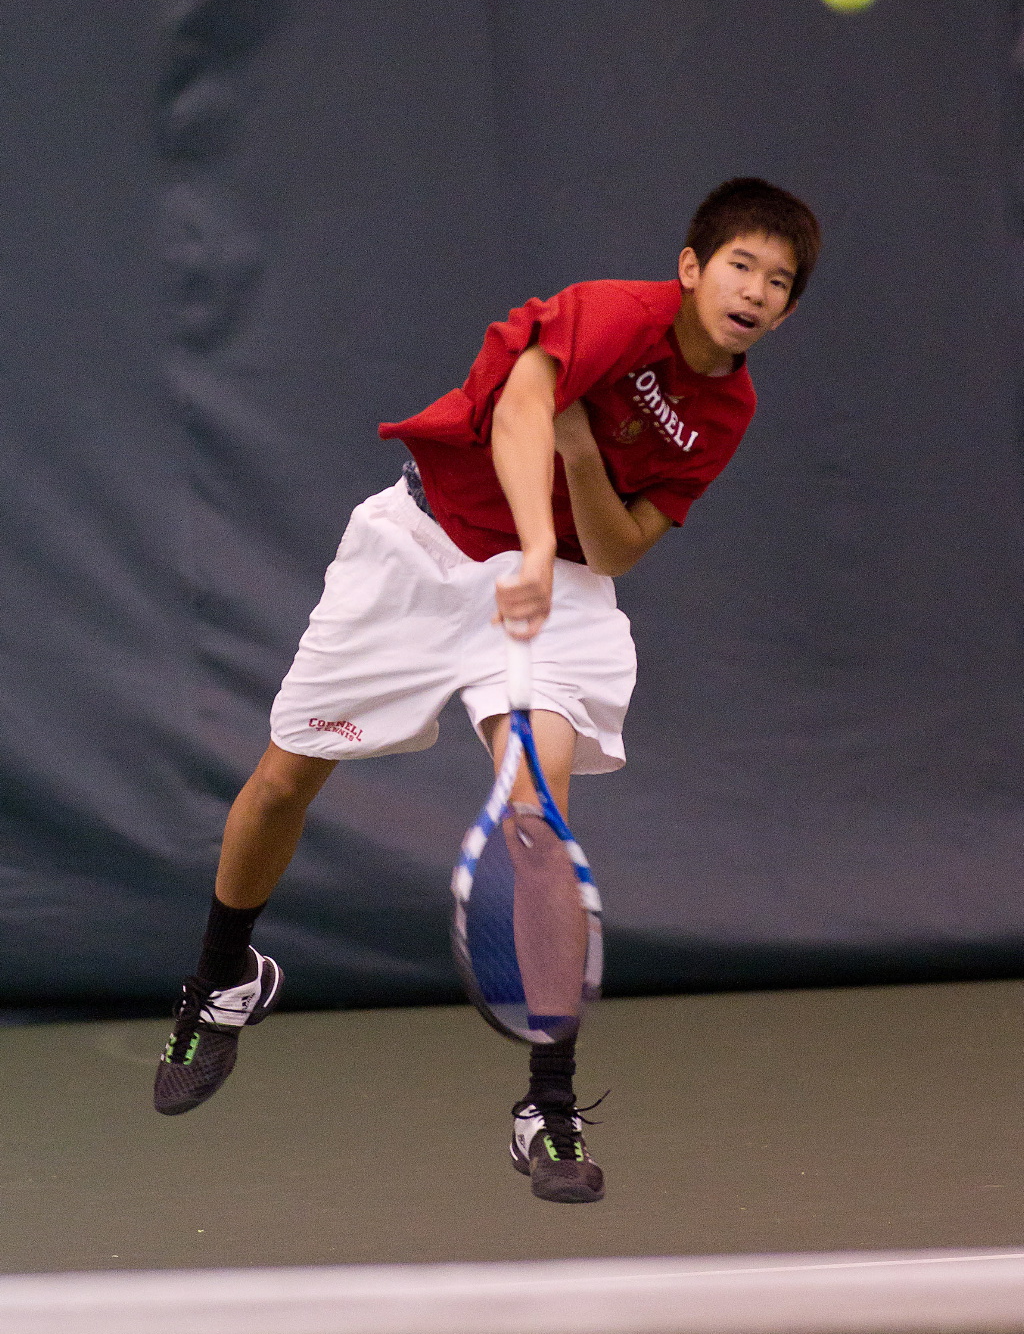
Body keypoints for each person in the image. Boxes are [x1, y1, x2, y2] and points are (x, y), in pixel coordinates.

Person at [154, 177, 820, 1203]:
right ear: (693, 268)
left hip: (560, 590)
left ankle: (546, 1103)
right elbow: (518, 406)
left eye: (778, 282)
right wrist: (536, 538)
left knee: (534, 820)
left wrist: (580, 467)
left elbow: (622, 546)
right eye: (741, 265)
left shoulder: (725, 410)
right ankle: (221, 977)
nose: (756, 291)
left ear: (786, 311)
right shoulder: (615, 313)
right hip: (424, 549)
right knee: (283, 780)